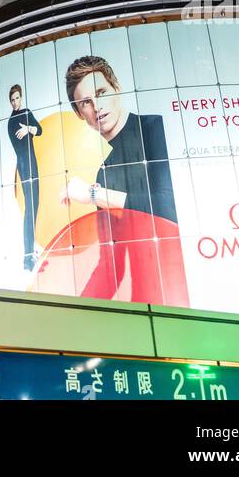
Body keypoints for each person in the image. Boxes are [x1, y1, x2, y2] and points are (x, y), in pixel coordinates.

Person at [58, 54, 185, 305]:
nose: (97, 107)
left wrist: (93, 195)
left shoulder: (155, 128)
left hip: (189, 289)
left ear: (117, 88)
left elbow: (168, 208)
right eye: (85, 102)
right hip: (147, 308)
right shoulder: (104, 173)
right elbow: (111, 268)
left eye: (101, 92)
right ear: (79, 113)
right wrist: (69, 315)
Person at [7, 84, 42, 270]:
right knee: (30, 206)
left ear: (21, 97)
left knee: (34, 205)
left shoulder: (26, 113)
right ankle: (28, 256)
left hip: (31, 162)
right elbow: (20, 144)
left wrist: (29, 128)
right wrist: (30, 129)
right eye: (12, 99)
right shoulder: (12, 122)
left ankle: (30, 252)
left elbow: (39, 129)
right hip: (25, 164)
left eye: (17, 98)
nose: (15, 102)